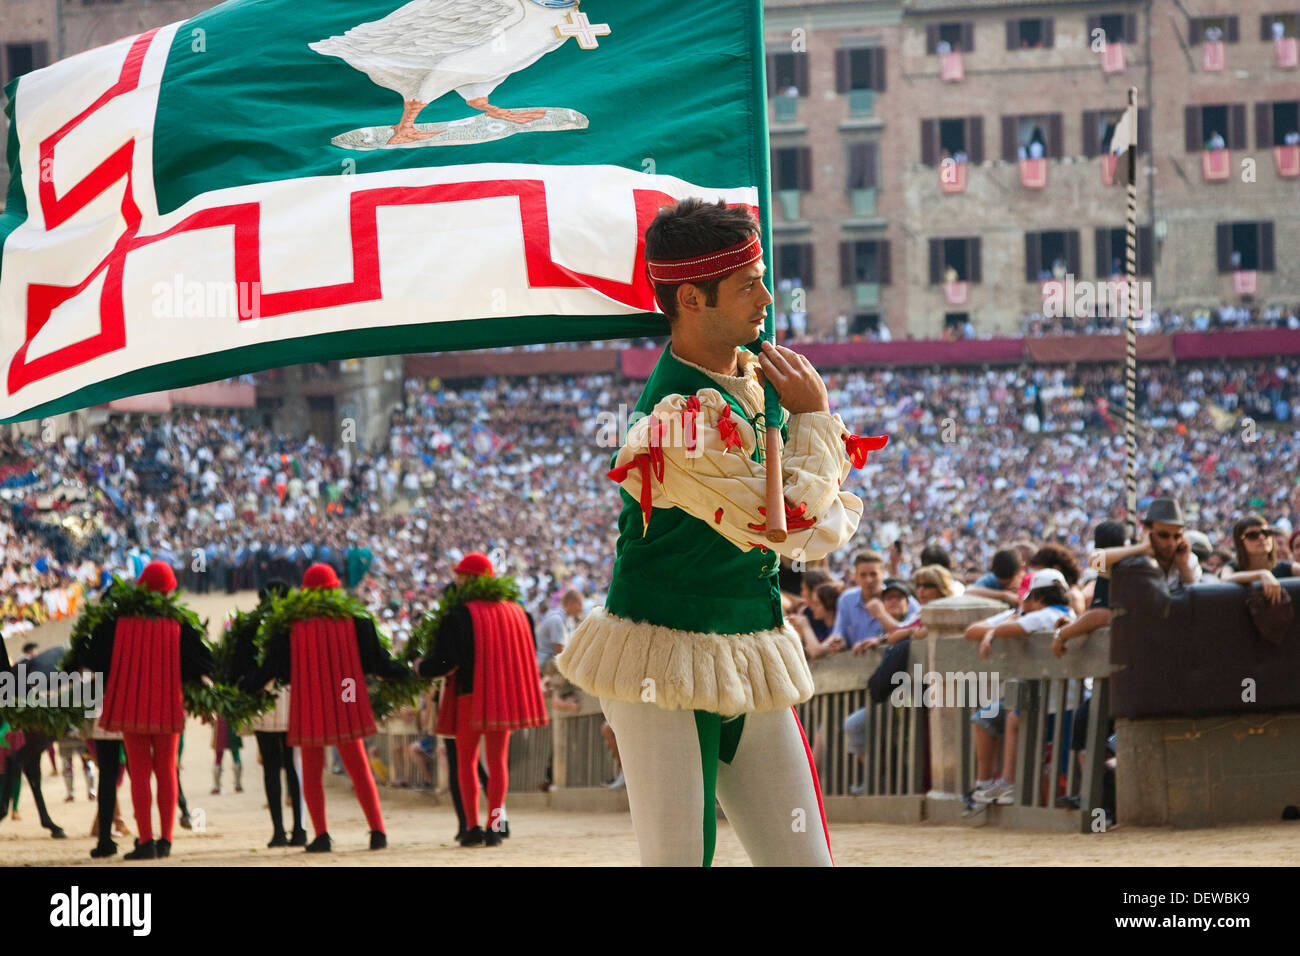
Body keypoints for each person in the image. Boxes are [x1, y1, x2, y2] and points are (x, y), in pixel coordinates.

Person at [556, 198, 877, 867]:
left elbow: (816, 517)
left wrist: (807, 425)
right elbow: (792, 531)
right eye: (748, 283)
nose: (767, 295)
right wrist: (816, 417)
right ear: (694, 298)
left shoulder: (758, 381)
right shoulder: (673, 418)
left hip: (750, 645)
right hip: (661, 657)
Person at [250, 563, 410, 852]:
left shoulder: (289, 628)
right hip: (347, 699)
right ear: (335, 589)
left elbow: (273, 670)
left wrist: (245, 687)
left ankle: (322, 835)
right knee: (359, 767)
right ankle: (378, 831)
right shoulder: (358, 621)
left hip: (309, 702)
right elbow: (378, 664)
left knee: (311, 770)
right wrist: (409, 671)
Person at [71, 561, 215, 859]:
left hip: (131, 708)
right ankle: (166, 840)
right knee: (167, 771)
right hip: (168, 708)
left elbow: (92, 659)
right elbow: (200, 663)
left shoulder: (115, 623)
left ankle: (146, 840)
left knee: (139, 774)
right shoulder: (181, 624)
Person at [413, 553, 547, 847]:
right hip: (501, 698)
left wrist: (421, 667)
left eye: (460, 576)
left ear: (468, 579)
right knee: (498, 763)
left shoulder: (457, 615)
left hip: (469, 698)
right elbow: (529, 655)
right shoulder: (518, 612)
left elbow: (447, 663)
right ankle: (495, 827)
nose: (456, 581)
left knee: (466, 762)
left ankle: (472, 827)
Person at [963, 568, 1076, 805]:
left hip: (1057, 700)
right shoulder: (1066, 612)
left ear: (1038, 598)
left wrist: (993, 633)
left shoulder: (1044, 615)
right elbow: (972, 631)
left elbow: (1013, 628)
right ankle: (1007, 784)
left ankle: (1009, 784)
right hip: (1055, 698)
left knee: (1066, 760)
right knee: (1061, 756)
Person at [233, 579, 305, 848]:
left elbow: (241, 666)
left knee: (271, 768)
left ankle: (278, 832)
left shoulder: (250, 627)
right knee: (293, 766)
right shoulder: (295, 626)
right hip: (291, 698)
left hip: (262, 701)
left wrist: (251, 685)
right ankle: (299, 829)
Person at [1219, 513, 1293, 603]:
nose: (1261, 537)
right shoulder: (1234, 566)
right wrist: (1262, 574)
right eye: (1253, 535)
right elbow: (1226, 578)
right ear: (1240, 542)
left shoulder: (1284, 567)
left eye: (1266, 533)